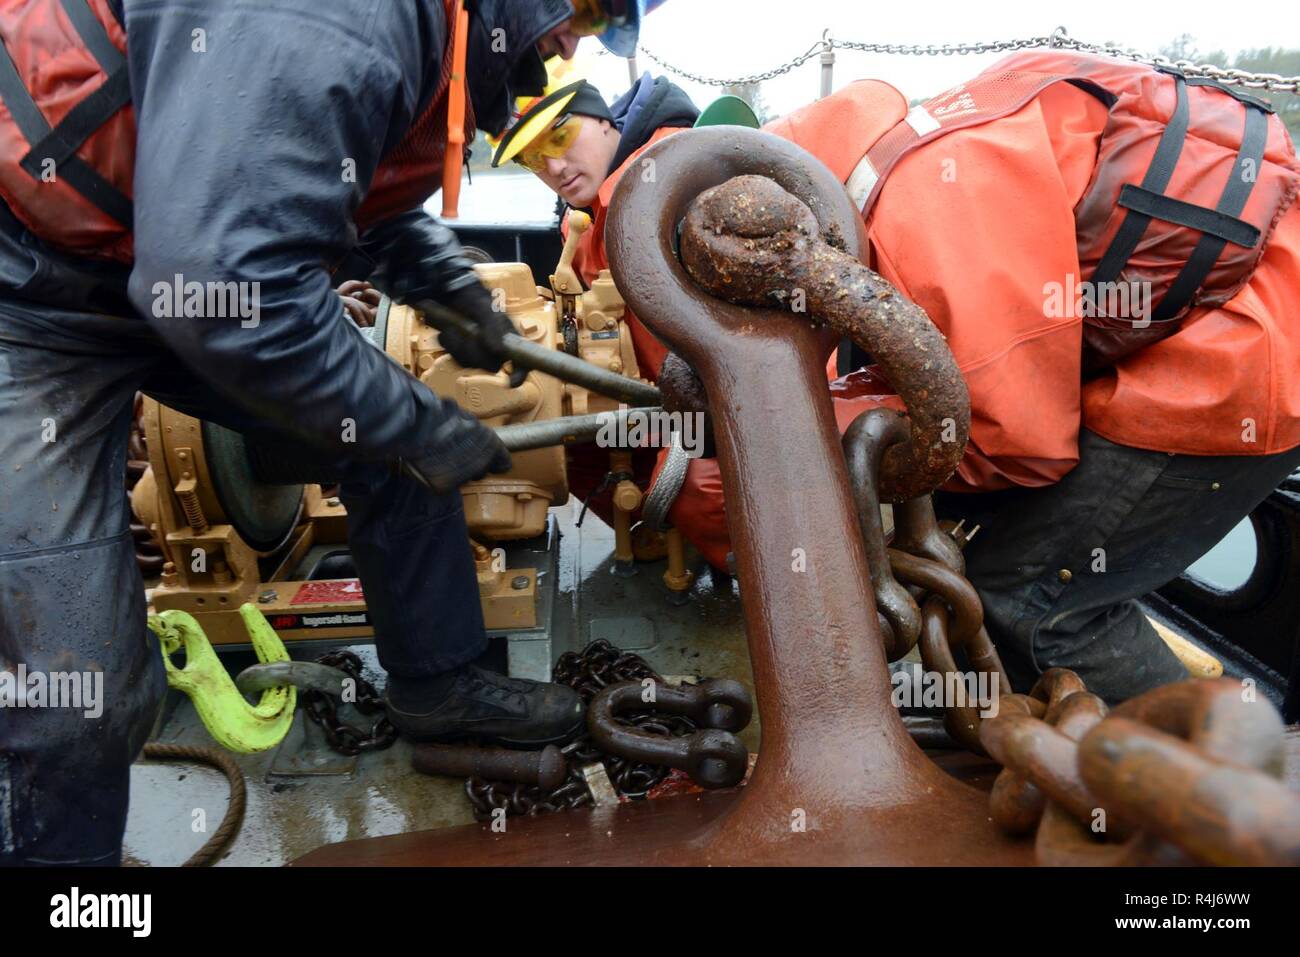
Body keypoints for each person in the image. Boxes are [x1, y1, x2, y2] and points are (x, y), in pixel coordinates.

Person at [0, 0, 652, 867]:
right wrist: (419, 421)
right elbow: (222, 275)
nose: (574, 43)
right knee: (84, 692)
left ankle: (438, 683)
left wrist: (445, 286)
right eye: (584, 11)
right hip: (33, 302)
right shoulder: (337, 15)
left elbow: (315, 167)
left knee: (380, 432)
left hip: (158, 267)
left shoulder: (418, 29)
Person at [657, 50, 1300, 703]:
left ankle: (1221, 785)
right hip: (1226, 318)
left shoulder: (920, 215)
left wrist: (824, 429)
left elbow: (1015, 440)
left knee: (1033, 603)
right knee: (996, 571)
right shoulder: (900, 155)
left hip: (1248, 356)